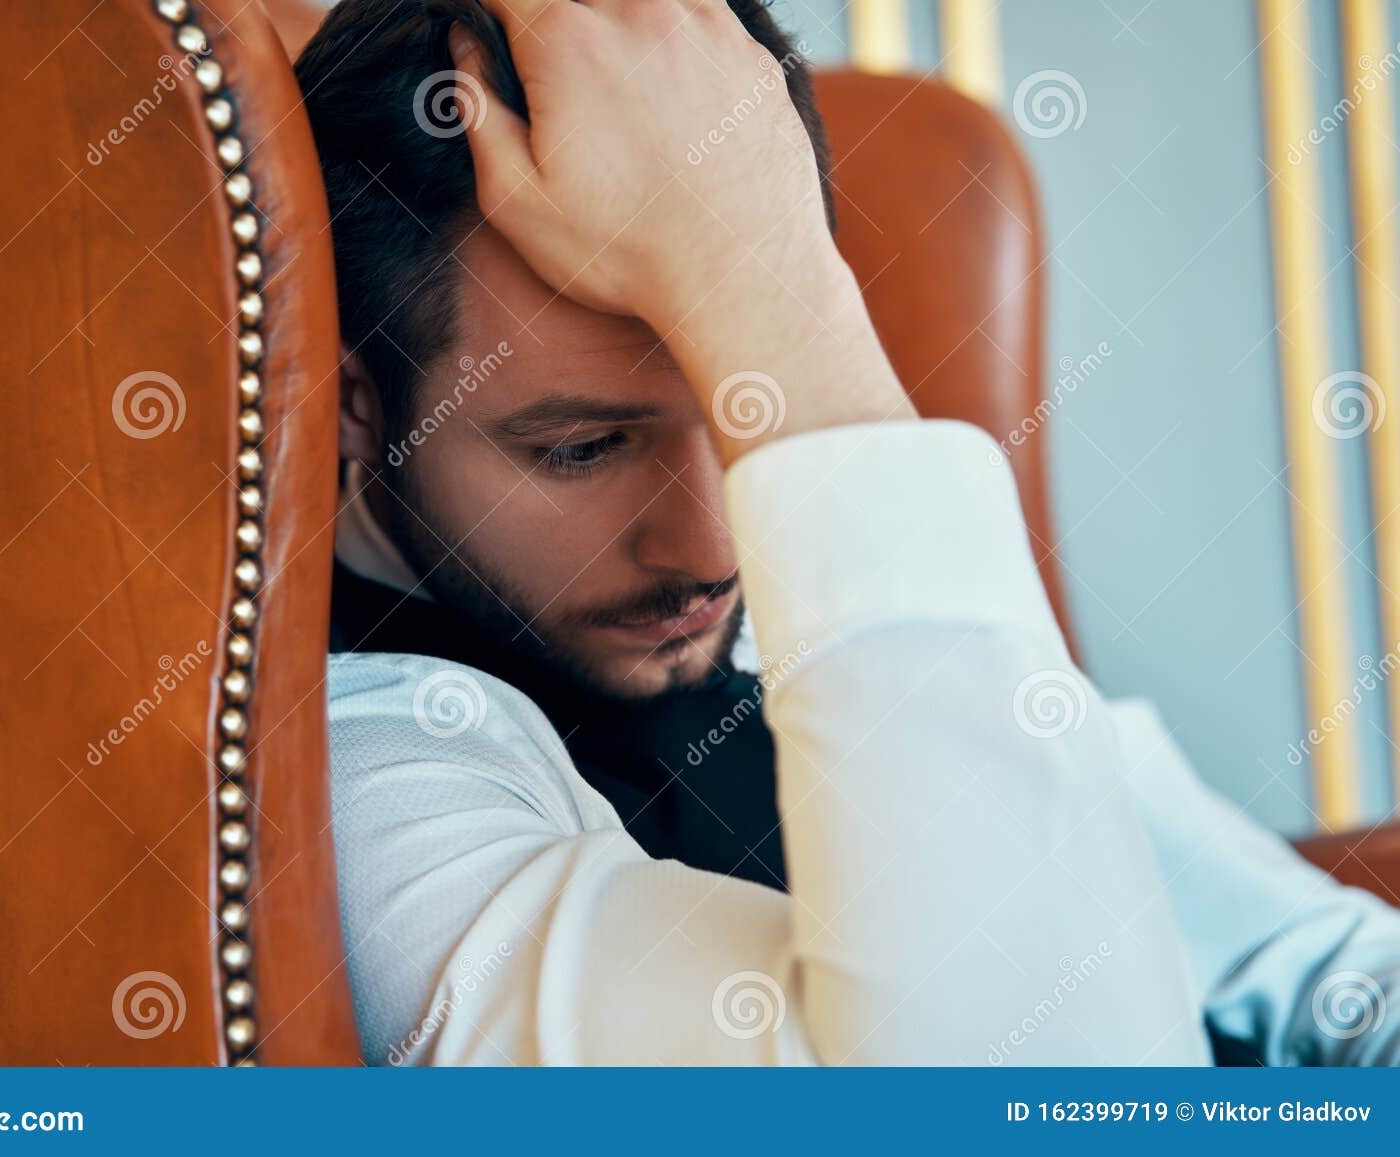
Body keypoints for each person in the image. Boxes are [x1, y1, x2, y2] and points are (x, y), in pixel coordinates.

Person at [295, 0, 1400, 1064]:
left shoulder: (809, 586)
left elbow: (1344, 973)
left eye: (742, 408)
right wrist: (760, 304)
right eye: (582, 448)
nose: (713, 551)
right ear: (354, 400)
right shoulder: (366, 784)